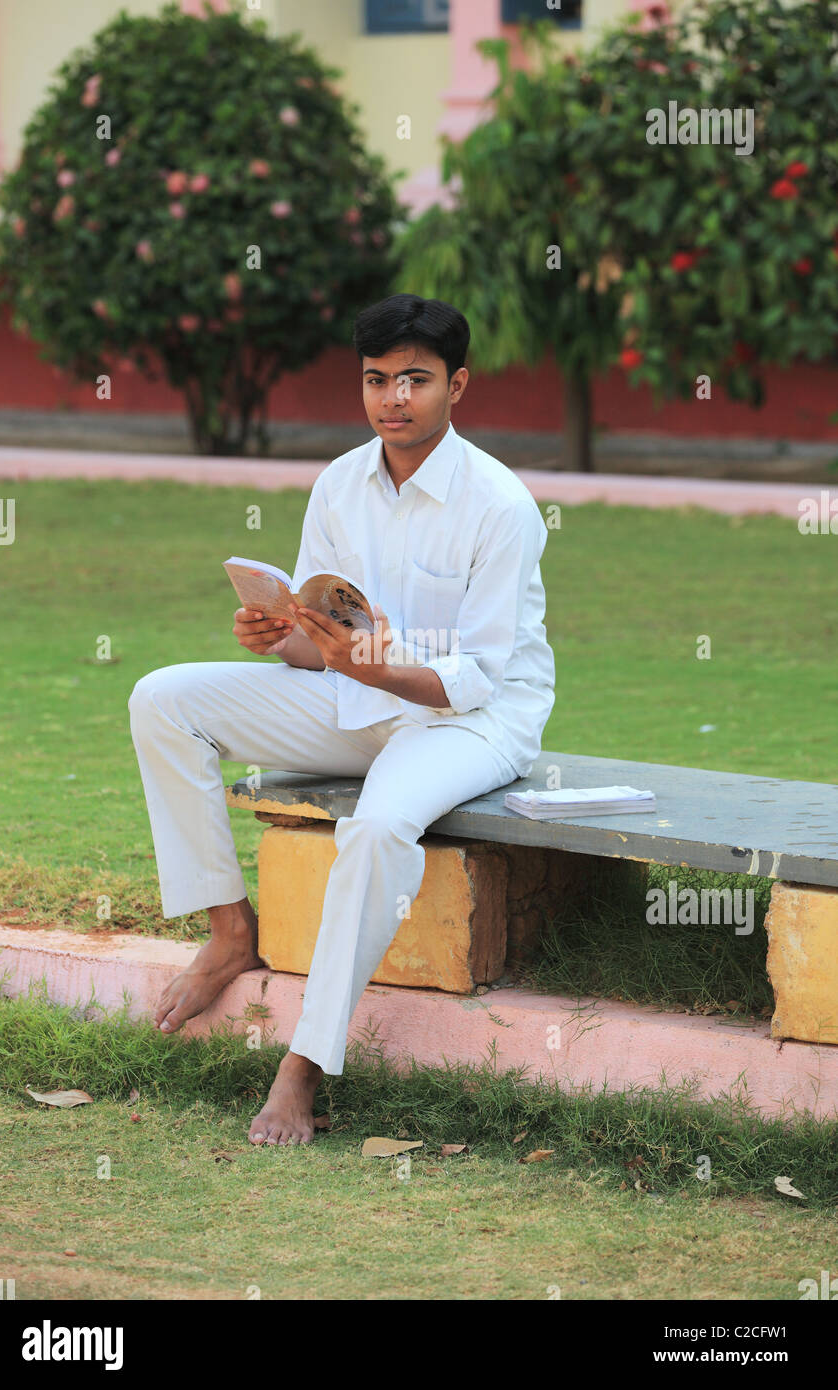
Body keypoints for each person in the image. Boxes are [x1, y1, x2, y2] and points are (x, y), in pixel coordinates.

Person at [128, 293, 556, 1147]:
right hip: (360, 698)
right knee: (162, 698)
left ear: (457, 386)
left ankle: (303, 1067)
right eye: (376, 380)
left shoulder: (500, 506)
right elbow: (320, 636)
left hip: (467, 723)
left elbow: (475, 676)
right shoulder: (339, 481)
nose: (393, 398)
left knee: (377, 826)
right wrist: (275, 635)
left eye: (415, 380)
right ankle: (228, 931)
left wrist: (372, 670)